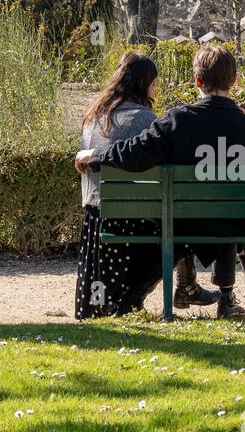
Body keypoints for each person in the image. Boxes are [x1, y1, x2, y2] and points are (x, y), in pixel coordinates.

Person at [86, 44, 245, 319]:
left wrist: (96, 155)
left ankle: (158, 294)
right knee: (228, 208)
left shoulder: (178, 121)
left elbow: (136, 153)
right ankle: (228, 297)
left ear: (197, 81)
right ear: (233, 81)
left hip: (188, 221)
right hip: (236, 221)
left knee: (198, 211)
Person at [74, 52, 218, 318]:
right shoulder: (144, 118)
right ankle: (175, 289)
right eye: (152, 82)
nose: (154, 88)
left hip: (96, 215)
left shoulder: (94, 117)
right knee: (181, 225)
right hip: (132, 217)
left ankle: (109, 305)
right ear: (142, 83)